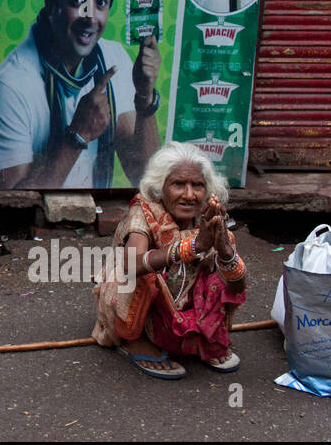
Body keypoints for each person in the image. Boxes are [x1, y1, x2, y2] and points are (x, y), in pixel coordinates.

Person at [0, 0, 160, 189]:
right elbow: (11, 204)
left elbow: (145, 178)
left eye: (101, 2)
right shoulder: (12, 84)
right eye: (78, 0)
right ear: (51, 1)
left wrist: (145, 96)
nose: (89, 17)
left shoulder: (114, 59)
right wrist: (77, 135)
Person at [91, 141, 248, 379]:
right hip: (140, 303)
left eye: (197, 185)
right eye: (178, 184)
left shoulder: (206, 216)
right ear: (160, 187)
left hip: (180, 301)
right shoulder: (143, 211)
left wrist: (225, 248)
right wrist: (194, 246)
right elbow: (130, 265)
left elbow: (237, 287)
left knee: (219, 267)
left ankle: (195, 336)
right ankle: (132, 341)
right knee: (144, 274)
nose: (189, 195)